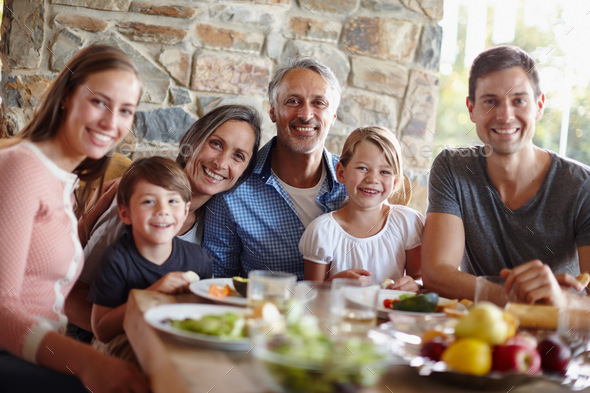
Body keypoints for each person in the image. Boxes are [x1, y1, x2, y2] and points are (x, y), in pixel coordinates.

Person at [0, 45, 149, 393]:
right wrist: (89, 362)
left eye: (126, 110)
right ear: (66, 96)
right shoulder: (21, 168)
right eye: (99, 102)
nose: (112, 123)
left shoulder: (62, 177)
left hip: (36, 346)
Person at [66, 104, 262, 341]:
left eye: (238, 156)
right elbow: (73, 297)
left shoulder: (217, 222)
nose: (221, 163)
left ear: (243, 172)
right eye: (216, 144)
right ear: (193, 140)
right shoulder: (140, 203)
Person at [422, 45, 590, 308]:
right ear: (471, 108)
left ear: (539, 106)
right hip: (475, 332)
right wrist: (514, 298)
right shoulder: (452, 168)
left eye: (519, 100)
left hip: (555, 340)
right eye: (490, 101)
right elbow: (436, 273)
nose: (504, 115)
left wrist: (560, 300)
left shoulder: (583, 186)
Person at [202, 57, 348, 280]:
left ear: (333, 116)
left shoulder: (357, 184)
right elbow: (218, 283)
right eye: (293, 101)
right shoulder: (232, 189)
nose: (306, 115)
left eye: (319, 103)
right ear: (273, 111)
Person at [89, 157, 213, 348]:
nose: (163, 210)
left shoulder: (199, 259)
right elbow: (101, 330)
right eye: (148, 201)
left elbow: (207, 311)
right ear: (125, 213)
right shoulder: (117, 260)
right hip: (123, 343)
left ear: (185, 210)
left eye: (172, 201)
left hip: (179, 342)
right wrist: (153, 292)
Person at [300, 126, 423, 290]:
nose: (373, 179)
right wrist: (333, 284)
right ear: (341, 173)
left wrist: (416, 284)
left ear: (394, 182)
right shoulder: (322, 231)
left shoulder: (407, 222)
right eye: (362, 168)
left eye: (385, 171)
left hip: (393, 315)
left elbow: (421, 279)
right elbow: (311, 295)